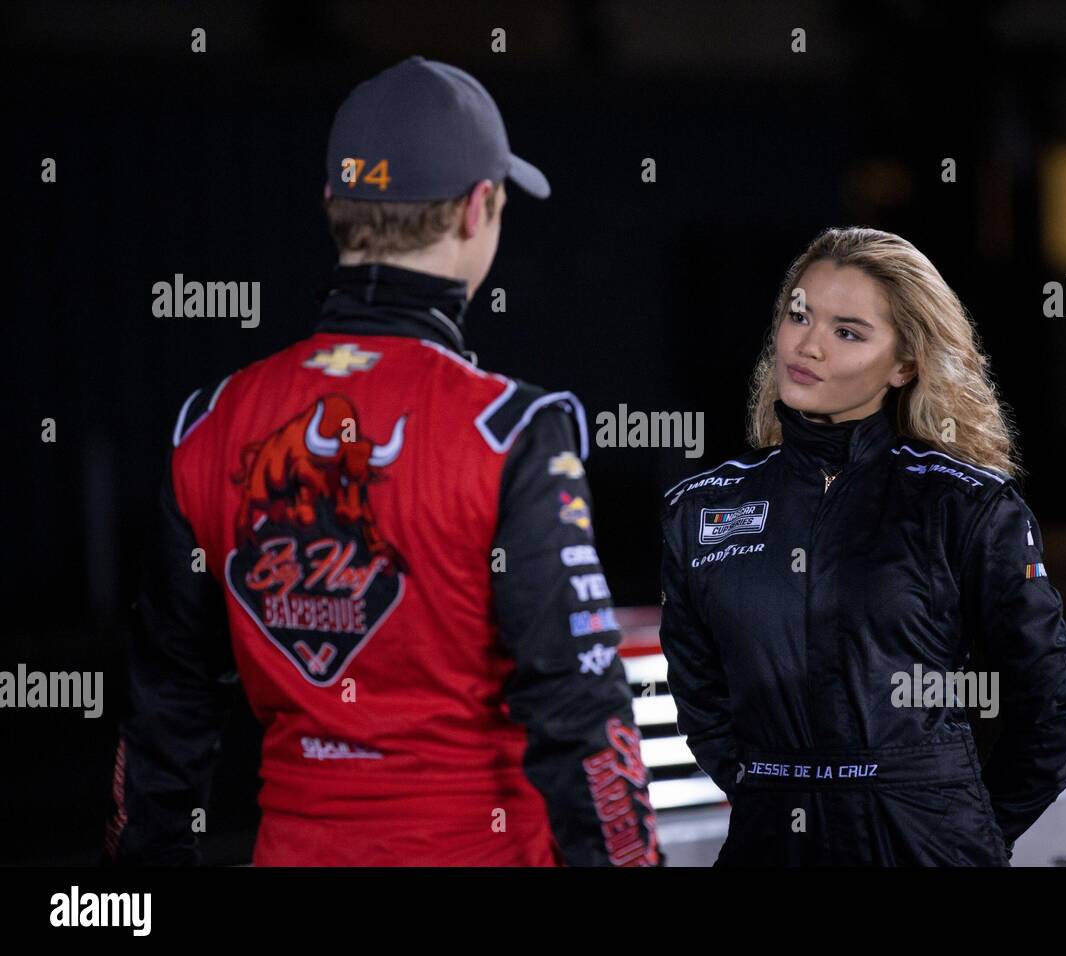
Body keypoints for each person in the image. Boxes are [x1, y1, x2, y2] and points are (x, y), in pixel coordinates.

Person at [105, 57, 660, 867]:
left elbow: (165, 720)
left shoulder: (211, 423)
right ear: (480, 208)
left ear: (335, 205)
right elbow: (583, 708)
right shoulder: (514, 430)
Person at [658, 226, 1066, 865]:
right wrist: (774, 793)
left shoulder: (967, 505)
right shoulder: (702, 508)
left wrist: (964, 834)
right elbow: (702, 697)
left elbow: (1047, 708)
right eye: (798, 315)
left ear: (905, 363)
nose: (807, 346)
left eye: (848, 332)